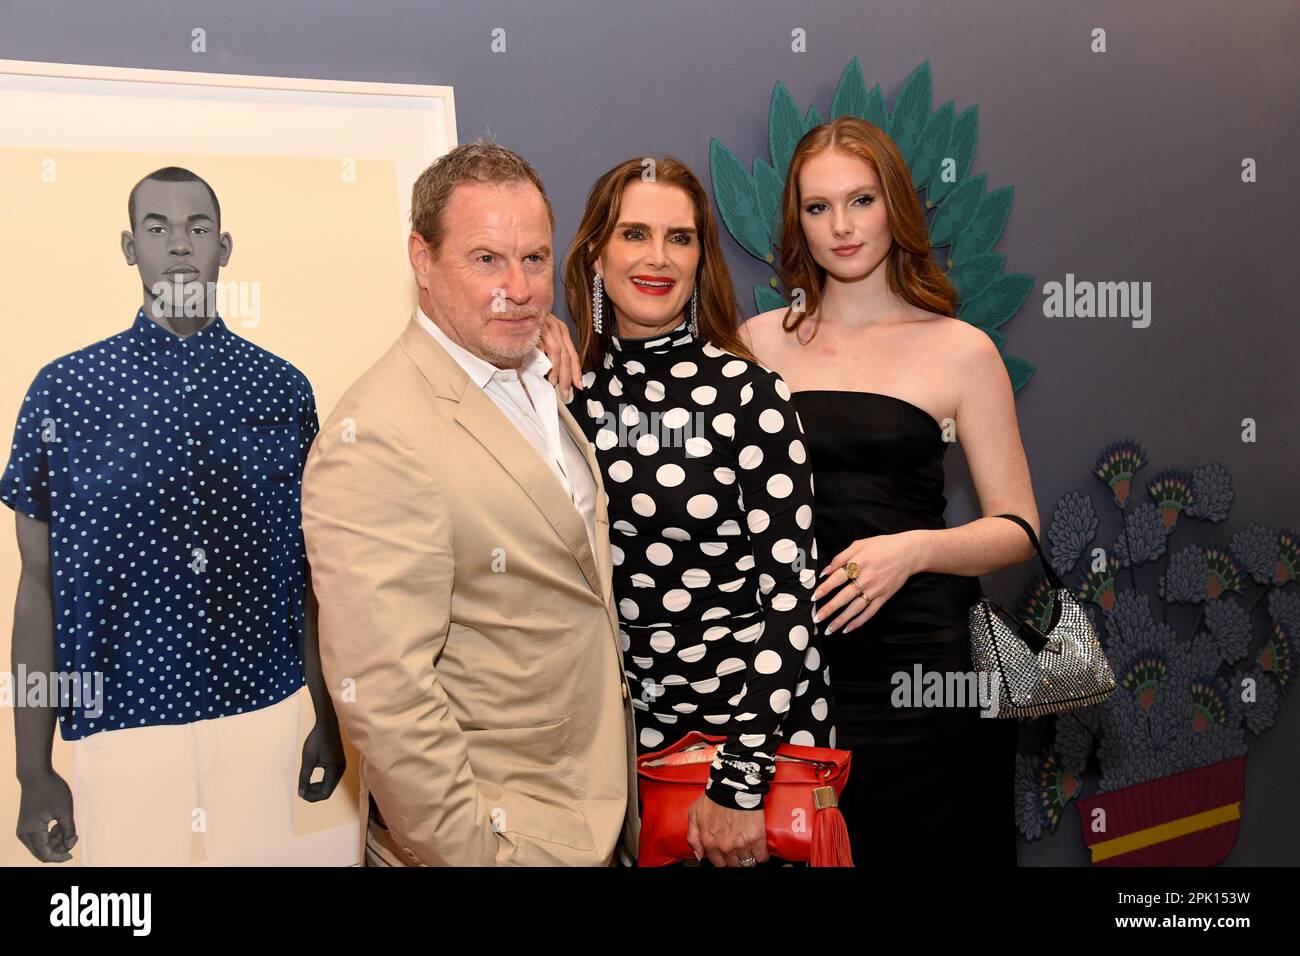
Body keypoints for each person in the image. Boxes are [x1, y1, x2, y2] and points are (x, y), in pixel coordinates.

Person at [300, 142, 637, 867]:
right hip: (500, 841)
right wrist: (474, 855)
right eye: (486, 260)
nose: (517, 288)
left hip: (587, 817)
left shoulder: (527, 370)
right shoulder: (380, 435)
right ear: (422, 261)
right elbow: (388, 696)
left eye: (536, 259)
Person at [2, 166, 344, 866]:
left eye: (198, 227)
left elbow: (310, 576)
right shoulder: (64, 391)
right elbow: (38, 586)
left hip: (262, 712)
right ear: (130, 248)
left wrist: (328, 716)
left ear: (225, 247)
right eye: (157, 228)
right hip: (119, 725)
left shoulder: (281, 388)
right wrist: (30, 769)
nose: (179, 244)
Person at [741, 117, 1039, 863]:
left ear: (894, 206)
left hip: (929, 669)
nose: (841, 226)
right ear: (797, 223)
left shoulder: (961, 350)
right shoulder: (754, 343)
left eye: (861, 200)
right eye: (818, 208)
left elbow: (1019, 527)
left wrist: (911, 551)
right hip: (794, 668)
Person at [545, 155, 833, 868]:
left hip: (750, 743)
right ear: (593, 254)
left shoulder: (751, 397)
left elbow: (793, 603)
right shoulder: (561, 395)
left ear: (701, 258)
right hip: (620, 749)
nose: (657, 257)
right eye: (634, 233)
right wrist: (535, 341)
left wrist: (739, 783)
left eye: (680, 238)